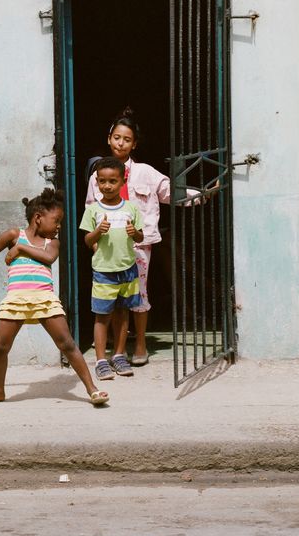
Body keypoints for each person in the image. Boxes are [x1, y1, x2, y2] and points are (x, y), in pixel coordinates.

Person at [0, 187, 109, 407]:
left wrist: (21, 250)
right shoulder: (13, 236)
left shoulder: (52, 242)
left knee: (67, 344)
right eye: (56, 220)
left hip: (44, 299)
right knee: (0, 347)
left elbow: (49, 258)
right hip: (16, 299)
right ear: (38, 218)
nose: (59, 226)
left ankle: (92, 389)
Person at [84, 107, 207, 374]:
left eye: (126, 139)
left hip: (138, 246)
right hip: (107, 248)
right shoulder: (98, 175)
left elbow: (170, 192)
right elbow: (90, 208)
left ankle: (139, 344)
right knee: (110, 299)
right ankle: (114, 352)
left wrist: (202, 194)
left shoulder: (145, 173)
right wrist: (94, 243)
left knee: (137, 294)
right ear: (108, 138)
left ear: (134, 144)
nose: (120, 143)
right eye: (117, 137)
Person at [80, 157, 145, 382]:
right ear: (96, 182)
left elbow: (140, 236)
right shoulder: (93, 210)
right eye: (102, 181)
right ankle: (100, 360)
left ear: (123, 181)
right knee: (102, 316)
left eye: (112, 181)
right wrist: (98, 231)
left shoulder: (131, 208)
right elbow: (88, 241)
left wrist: (133, 233)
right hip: (103, 271)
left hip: (127, 268)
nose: (107, 186)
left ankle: (118, 355)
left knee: (123, 313)